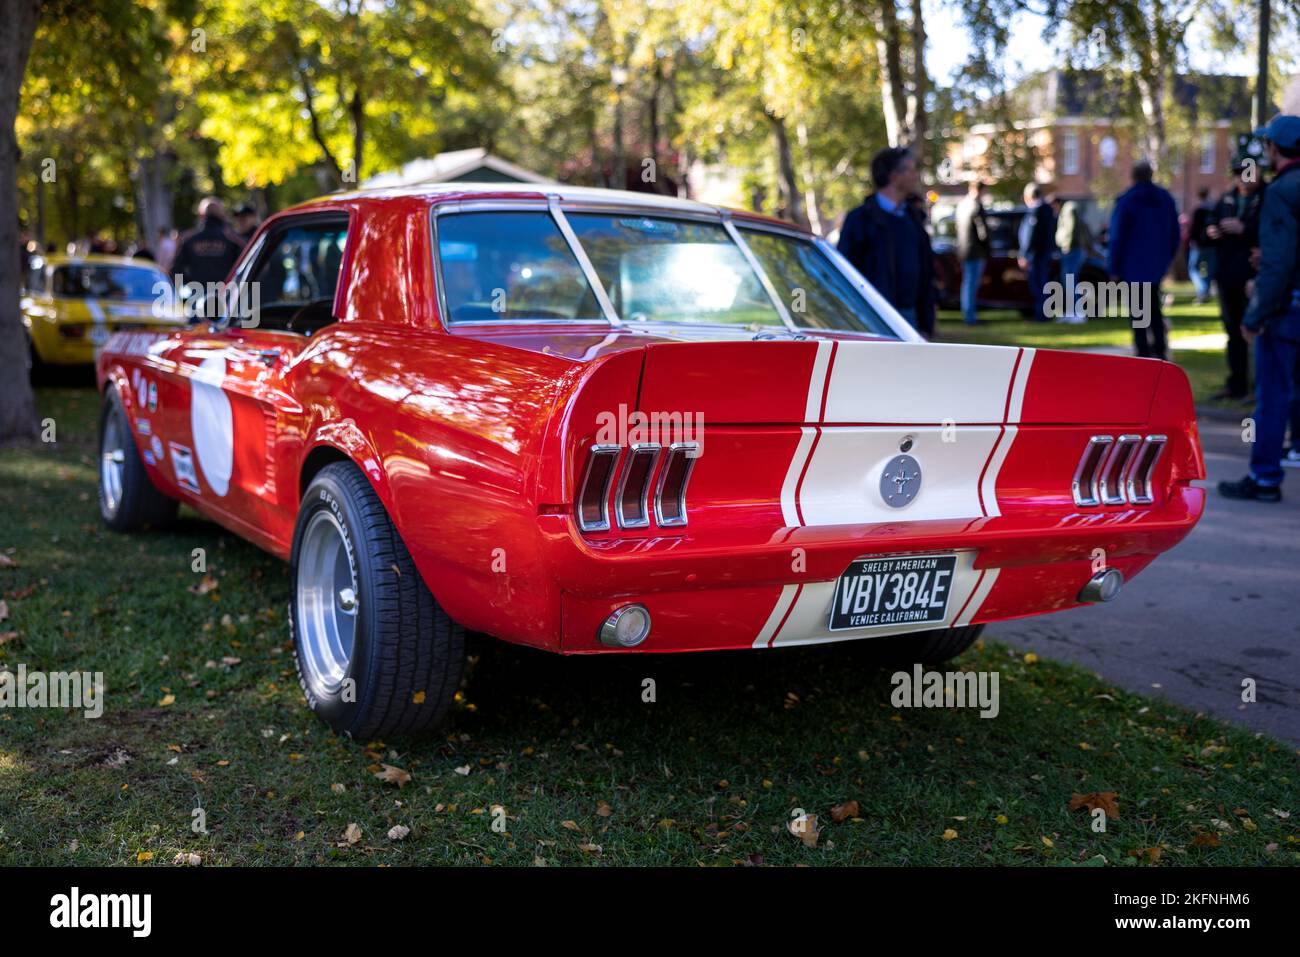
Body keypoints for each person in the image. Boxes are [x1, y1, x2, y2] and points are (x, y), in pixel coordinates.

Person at [1220, 115, 1300, 502]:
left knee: (1273, 396)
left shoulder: (1281, 192)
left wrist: (1254, 316)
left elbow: (1279, 264)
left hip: (1286, 310)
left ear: (1273, 149)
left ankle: (1264, 477)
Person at [837, 147, 936, 337]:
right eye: (911, 170)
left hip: (910, 317)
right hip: (872, 320)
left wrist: (927, 320)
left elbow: (926, 272)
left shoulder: (914, 218)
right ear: (894, 176)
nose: (916, 176)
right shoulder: (860, 220)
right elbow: (845, 274)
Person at [1106, 160, 1180, 359]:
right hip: (1155, 265)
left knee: (1139, 313)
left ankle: (1143, 351)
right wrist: (1166, 259)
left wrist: (1113, 267)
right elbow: (1175, 233)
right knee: (1154, 309)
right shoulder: (1165, 199)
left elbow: (1117, 237)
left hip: (1133, 266)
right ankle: (1160, 349)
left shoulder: (1128, 201)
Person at [1205, 161, 1265, 400]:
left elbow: (1273, 232)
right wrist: (1211, 230)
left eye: (1248, 173)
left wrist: (1245, 229)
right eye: (1239, 174)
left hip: (1253, 274)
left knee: (1256, 331)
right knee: (1233, 330)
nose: (1243, 179)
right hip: (1227, 273)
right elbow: (1207, 224)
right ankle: (1237, 383)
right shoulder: (1227, 199)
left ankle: (1257, 387)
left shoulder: (1267, 198)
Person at [171, 198, 245, 320]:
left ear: (201, 215)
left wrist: (190, 284)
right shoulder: (233, 241)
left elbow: (175, 270)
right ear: (222, 215)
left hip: (197, 299)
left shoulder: (189, 239)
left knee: (198, 336)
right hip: (227, 299)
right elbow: (245, 268)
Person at [1017, 183, 1056, 322]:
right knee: (1042, 284)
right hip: (1044, 254)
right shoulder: (1047, 209)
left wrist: (1024, 254)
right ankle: (1044, 314)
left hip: (1036, 255)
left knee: (1038, 285)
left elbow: (1029, 235)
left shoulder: (1037, 210)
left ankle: (1042, 315)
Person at [954, 179, 990, 325]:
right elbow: (983, 232)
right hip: (976, 251)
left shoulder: (962, 205)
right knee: (972, 284)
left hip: (963, 250)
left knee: (967, 283)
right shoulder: (976, 206)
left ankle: (968, 313)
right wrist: (988, 247)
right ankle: (970, 316)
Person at [1053, 195, 1091, 324]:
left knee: (1070, 282)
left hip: (1071, 251)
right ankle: (1070, 312)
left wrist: (1066, 245)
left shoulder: (1069, 209)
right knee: (1068, 282)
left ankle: (1079, 313)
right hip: (1071, 250)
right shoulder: (1068, 210)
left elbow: (1071, 229)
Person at [1188, 186, 1215, 303]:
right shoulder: (1213, 209)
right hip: (1211, 244)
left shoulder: (1199, 211)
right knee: (1209, 269)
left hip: (1199, 244)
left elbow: (1194, 228)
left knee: (1193, 268)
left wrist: (1192, 240)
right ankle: (1205, 291)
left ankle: (1203, 290)